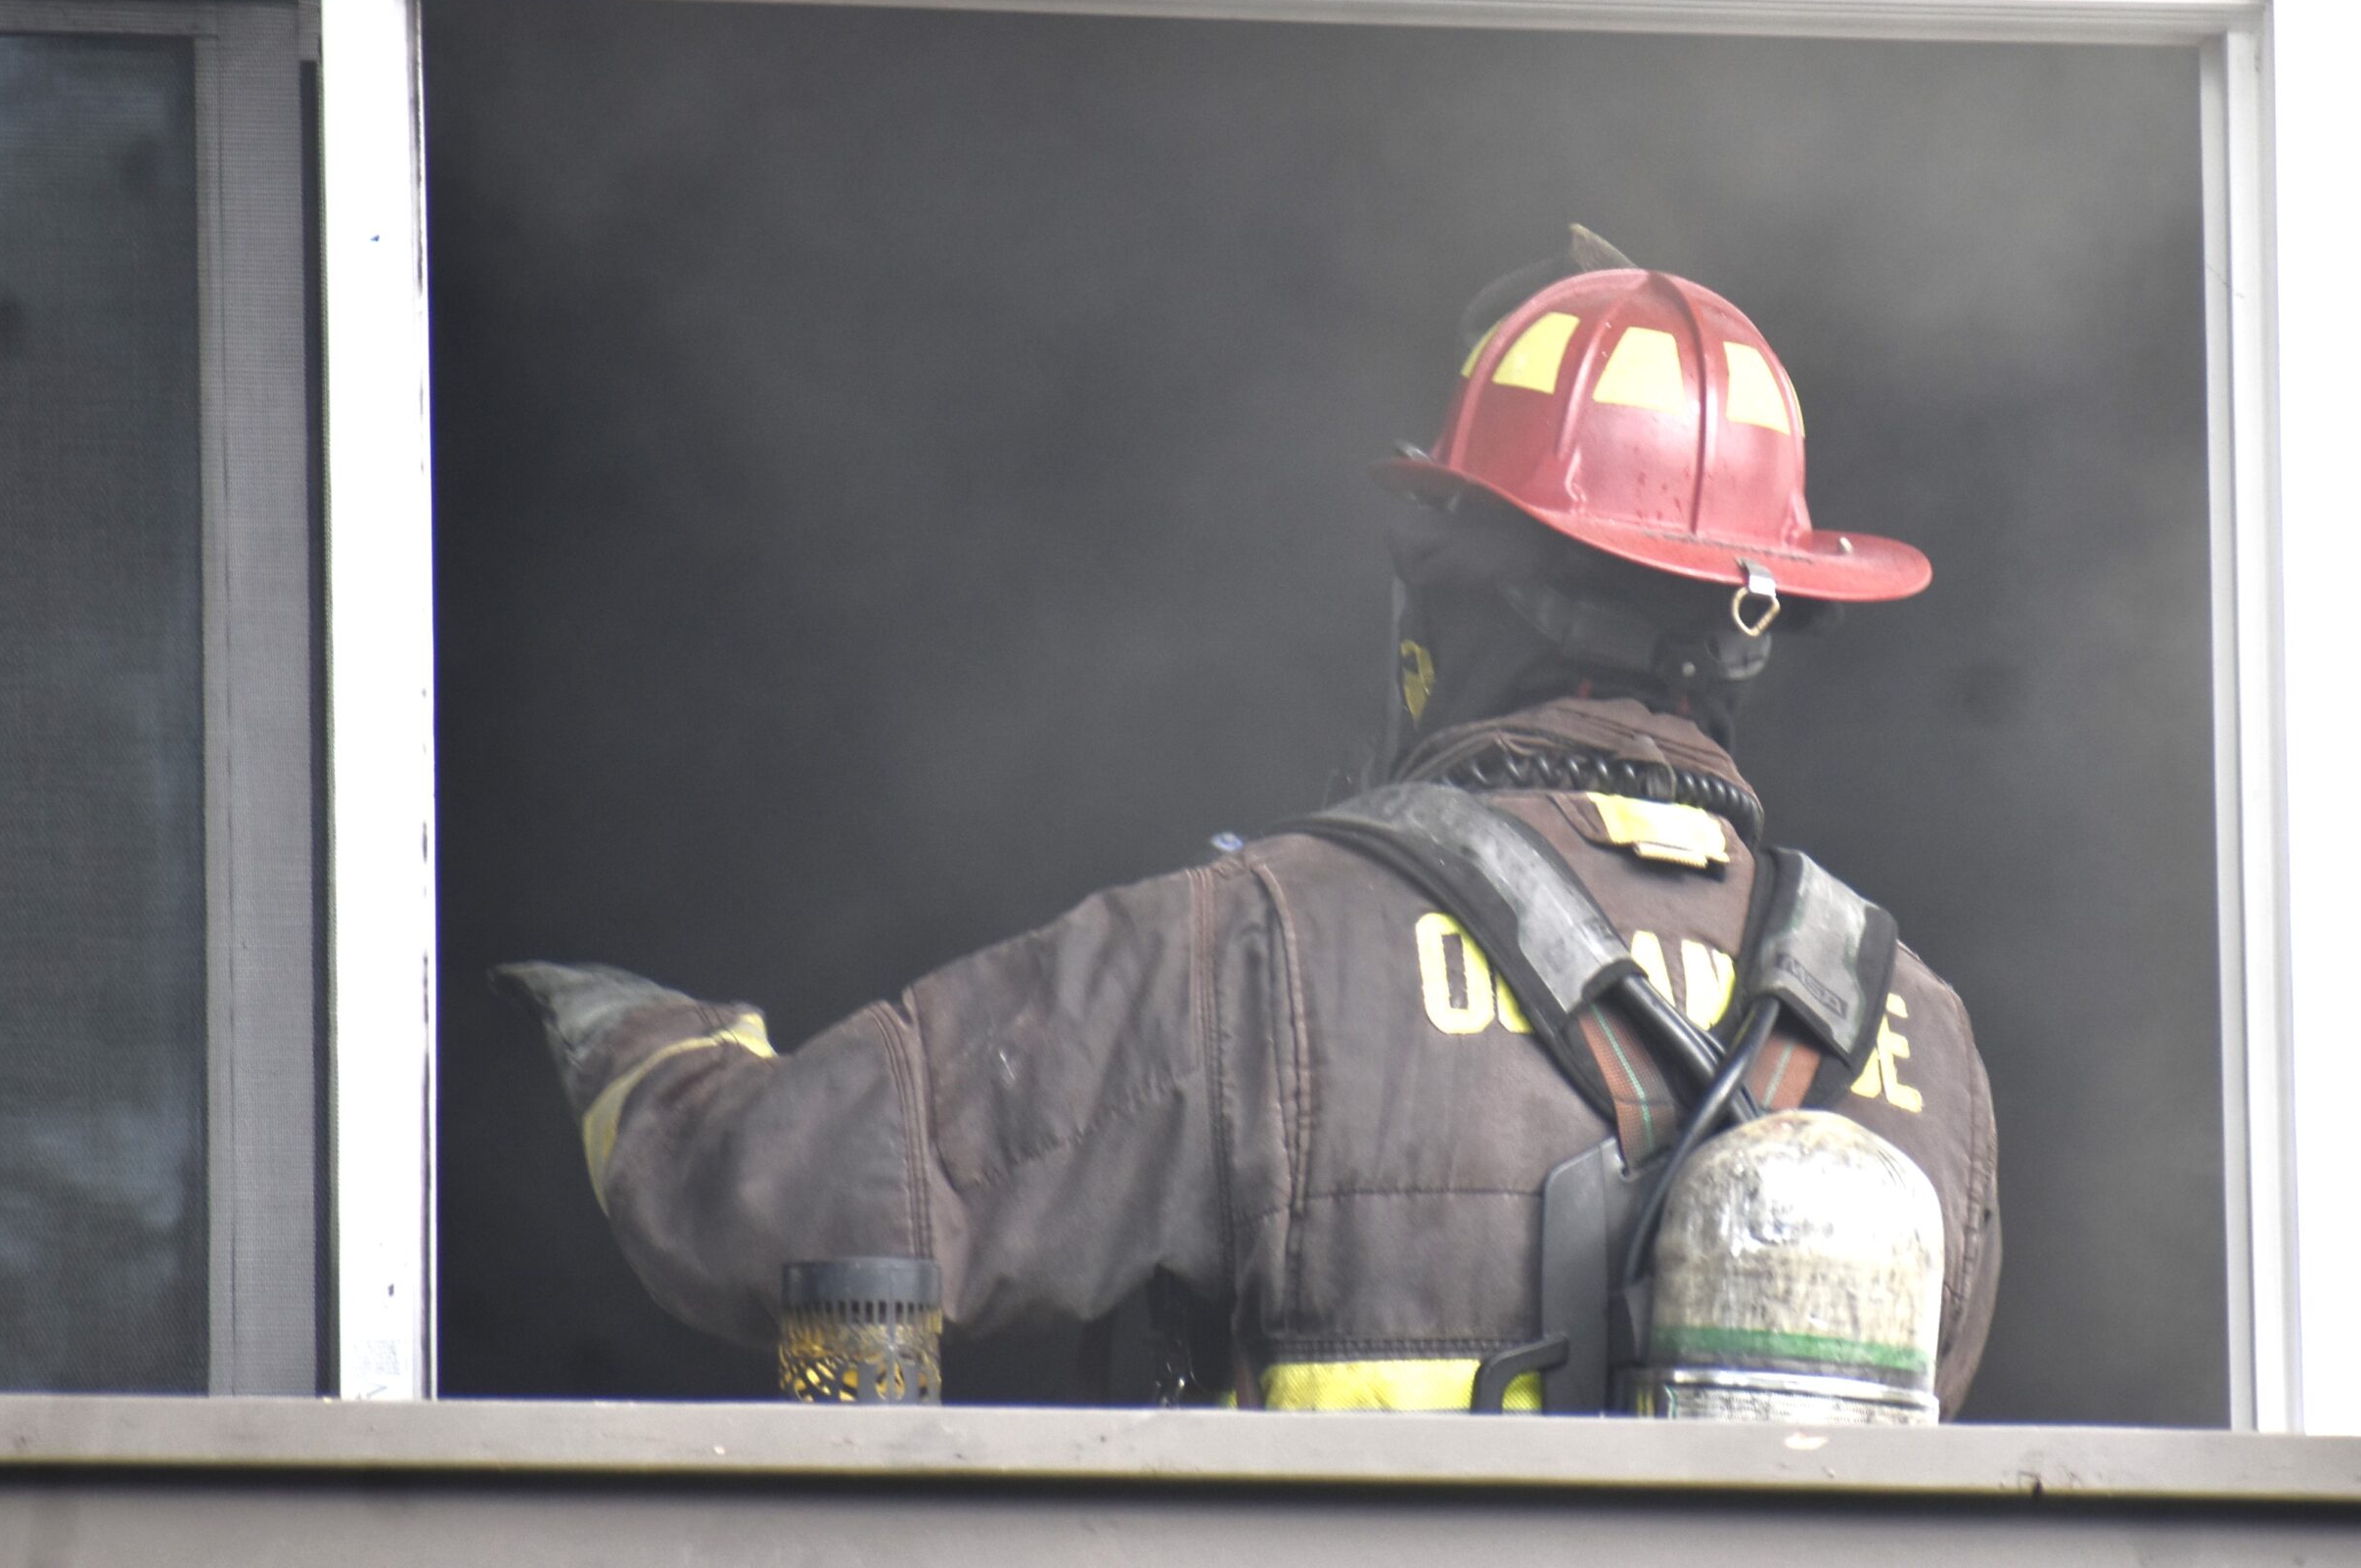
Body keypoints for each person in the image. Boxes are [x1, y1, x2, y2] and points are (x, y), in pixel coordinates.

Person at [503, 230, 2002, 1413]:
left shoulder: (1269, 954)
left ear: (1454, 591)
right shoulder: (1917, 1033)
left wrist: (638, 1051)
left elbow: (782, 1199)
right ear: (1752, 628)